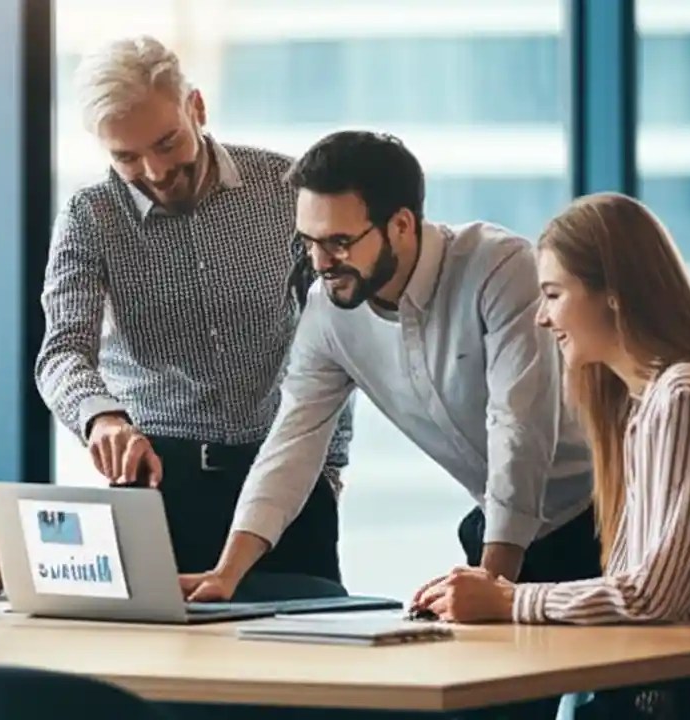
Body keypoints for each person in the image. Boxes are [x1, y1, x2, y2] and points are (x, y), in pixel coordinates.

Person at [411, 193, 690, 719]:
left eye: (552, 294)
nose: (542, 319)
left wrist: (507, 601)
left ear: (613, 295)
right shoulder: (640, 407)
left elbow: (653, 596)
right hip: (679, 691)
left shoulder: (684, 396)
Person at [183, 130, 598, 603]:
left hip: (601, 523)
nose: (320, 262)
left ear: (401, 224)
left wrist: (493, 583)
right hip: (498, 530)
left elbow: (518, 427)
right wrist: (226, 573)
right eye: (308, 242)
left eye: (339, 242)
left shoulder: (499, 268)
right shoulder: (328, 309)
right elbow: (293, 441)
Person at [35, 36, 353, 583]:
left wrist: (330, 466)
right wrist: (101, 417)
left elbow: (336, 336)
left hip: (284, 475)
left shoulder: (285, 191)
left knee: (305, 656)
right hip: (158, 483)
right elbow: (62, 353)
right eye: (126, 156)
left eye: (166, 142)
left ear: (196, 108)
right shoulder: (90, 218)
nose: (155, 171)